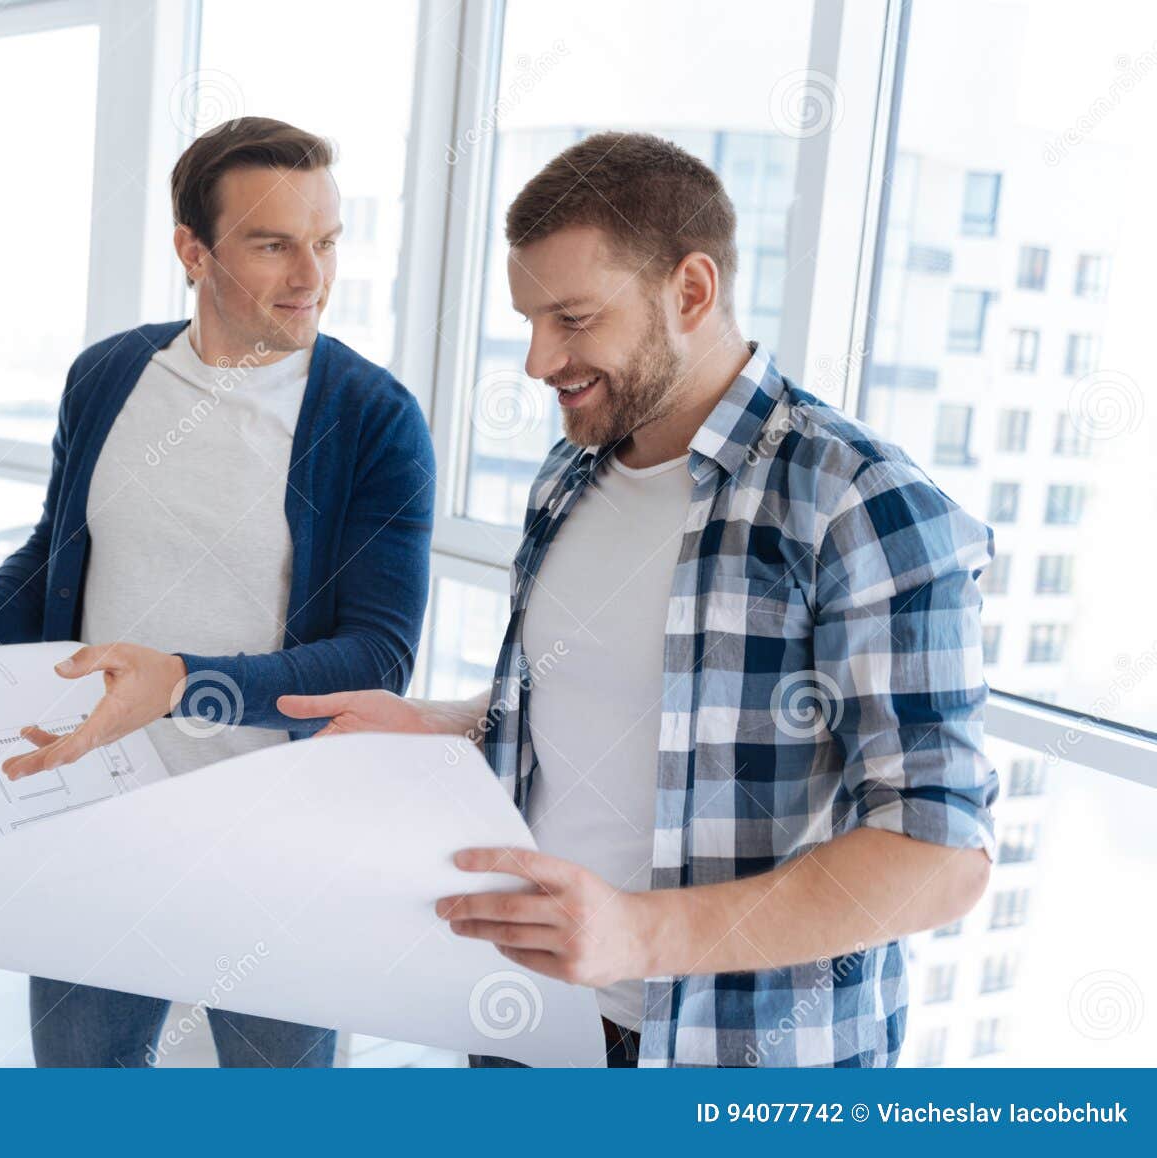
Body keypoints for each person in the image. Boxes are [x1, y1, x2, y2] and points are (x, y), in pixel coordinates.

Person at [281, 132, 998, 1068]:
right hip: (526, 1025)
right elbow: (608, 720)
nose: (539, 361)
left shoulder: (857, 501)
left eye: (573, 318)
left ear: (691, 292)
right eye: (529, 320)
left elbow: (939, 858)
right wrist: (435, 724)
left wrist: (638, 935)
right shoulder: (568, 476)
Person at [0, 116, 435, 1068]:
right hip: (93, 815)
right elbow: (56, 554)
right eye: (273, 245)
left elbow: (377, 654)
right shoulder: (108, 378)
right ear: (193, 249)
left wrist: (180, 679)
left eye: (328, 243)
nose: (312, 278)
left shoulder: (374, 420)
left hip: (276, 845)